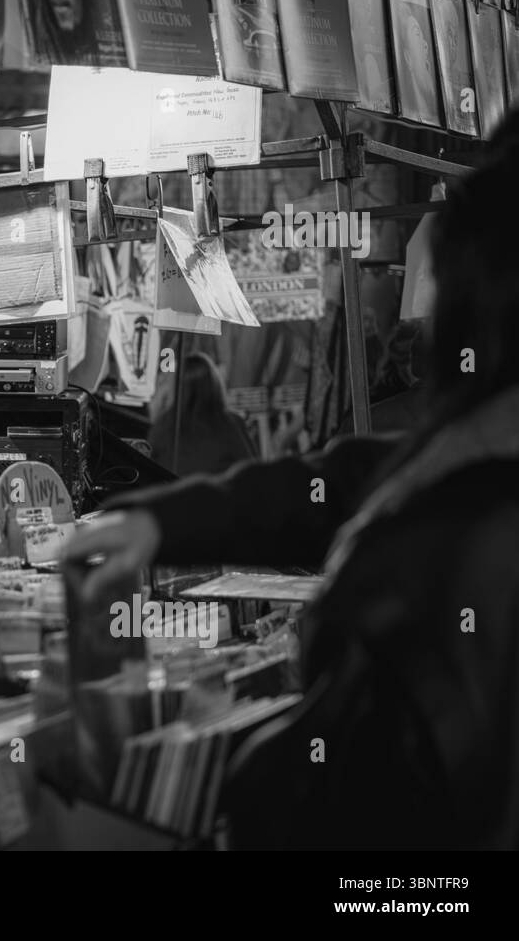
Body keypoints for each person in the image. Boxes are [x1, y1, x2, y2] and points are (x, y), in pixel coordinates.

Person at [64, 110, 519, 849]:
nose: (421, 333)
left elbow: (350, 782)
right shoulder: (475, 442)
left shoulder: (474, 534)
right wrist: (162, 522)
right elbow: (351, 479)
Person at [148, 353, 258, 475]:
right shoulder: (231, 423)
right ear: (214, 383)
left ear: (177, 387)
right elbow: (250, 469)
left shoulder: (164, 425)